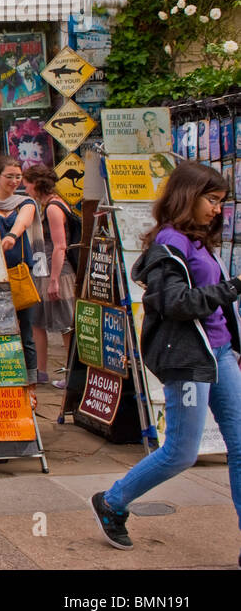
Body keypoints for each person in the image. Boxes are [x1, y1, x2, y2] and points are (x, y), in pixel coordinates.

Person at [91, 162, 241, 560]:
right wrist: (230, 290)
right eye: (212, 199)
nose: (217, 209)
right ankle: (112, 501)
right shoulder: (169, 246)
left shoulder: (197, 240)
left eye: (221, 202)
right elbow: (174, 304)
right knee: (180, 451)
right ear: (187, 196)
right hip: (189, 358)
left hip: (220, 353)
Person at [0, 155, 42, 398]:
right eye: (9, 176)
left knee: (26, 332)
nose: (14, 181)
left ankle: (30, 386)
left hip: (21, 275)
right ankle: (3, 380)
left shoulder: (25, 202)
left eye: (17, 176)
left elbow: (23, 221)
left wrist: (11, 235)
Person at [23, 165, 78, 387]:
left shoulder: (54, 208)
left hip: (58, 273)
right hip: (43, 271)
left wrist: (54, 280)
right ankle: (41, 370)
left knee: (65, 324)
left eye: (26, 183)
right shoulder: (47, 205)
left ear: (36, 183)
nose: (24, 188)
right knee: (37, 321)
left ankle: (71, 375)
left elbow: (60, 246)